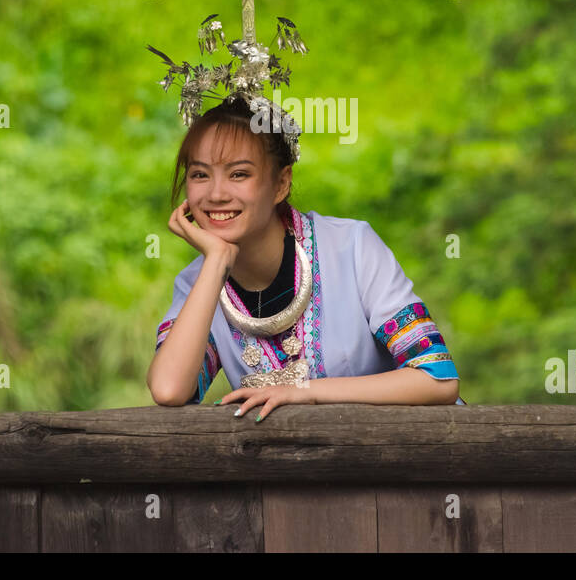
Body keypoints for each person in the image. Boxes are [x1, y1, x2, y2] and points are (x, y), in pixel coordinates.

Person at [147, 96, 464, 420]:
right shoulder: (198, 284)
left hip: (415, 458)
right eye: (200, 175)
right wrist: (216, 260)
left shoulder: (350, 247)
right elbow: (169, 389)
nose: (215, 194)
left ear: (281, 183)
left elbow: (436, 378)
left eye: (238, 174)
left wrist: (305, 392)